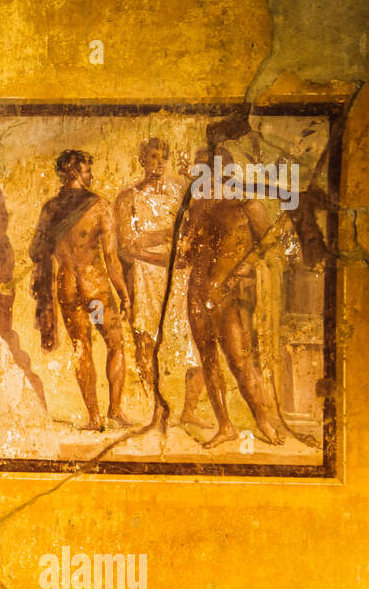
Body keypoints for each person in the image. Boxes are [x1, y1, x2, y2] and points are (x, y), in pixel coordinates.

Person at [182, 147, 288, 447]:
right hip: (199, 290)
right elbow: (189, 256)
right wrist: (184, 244)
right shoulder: (197, 206)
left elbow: (269, 239)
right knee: (209, 360)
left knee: (240, 361)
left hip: (230, 292)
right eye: (196, 170)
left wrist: (248, 264)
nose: (197, 176)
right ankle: (225, 425)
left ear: (222, 170)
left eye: (204, 169)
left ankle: (263, 421)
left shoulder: (245, 202)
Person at [30, 149, 132, 430]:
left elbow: (37, 250)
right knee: (115, 344)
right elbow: (111, 259)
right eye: (87, 170)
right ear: (74, 171)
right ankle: (115, 410)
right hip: (95, 286)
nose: (91, 175)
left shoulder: (50, 209)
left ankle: (94, 417)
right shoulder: (100, 207)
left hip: (68, 287)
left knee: (81, 347)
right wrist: (124, 295)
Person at [115, 137, 206, 423]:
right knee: (147, 340)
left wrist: (185, 247)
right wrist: (167, 239)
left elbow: (191, 228)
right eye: (153, 156)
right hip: (147, 275)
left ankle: (189, 410)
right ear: (142, 160)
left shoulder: (180, 191)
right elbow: (127, 245)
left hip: (181, 273)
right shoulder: (128, 196)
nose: (159, 162)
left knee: (195, 339)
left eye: (162, 156)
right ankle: (157, 405)